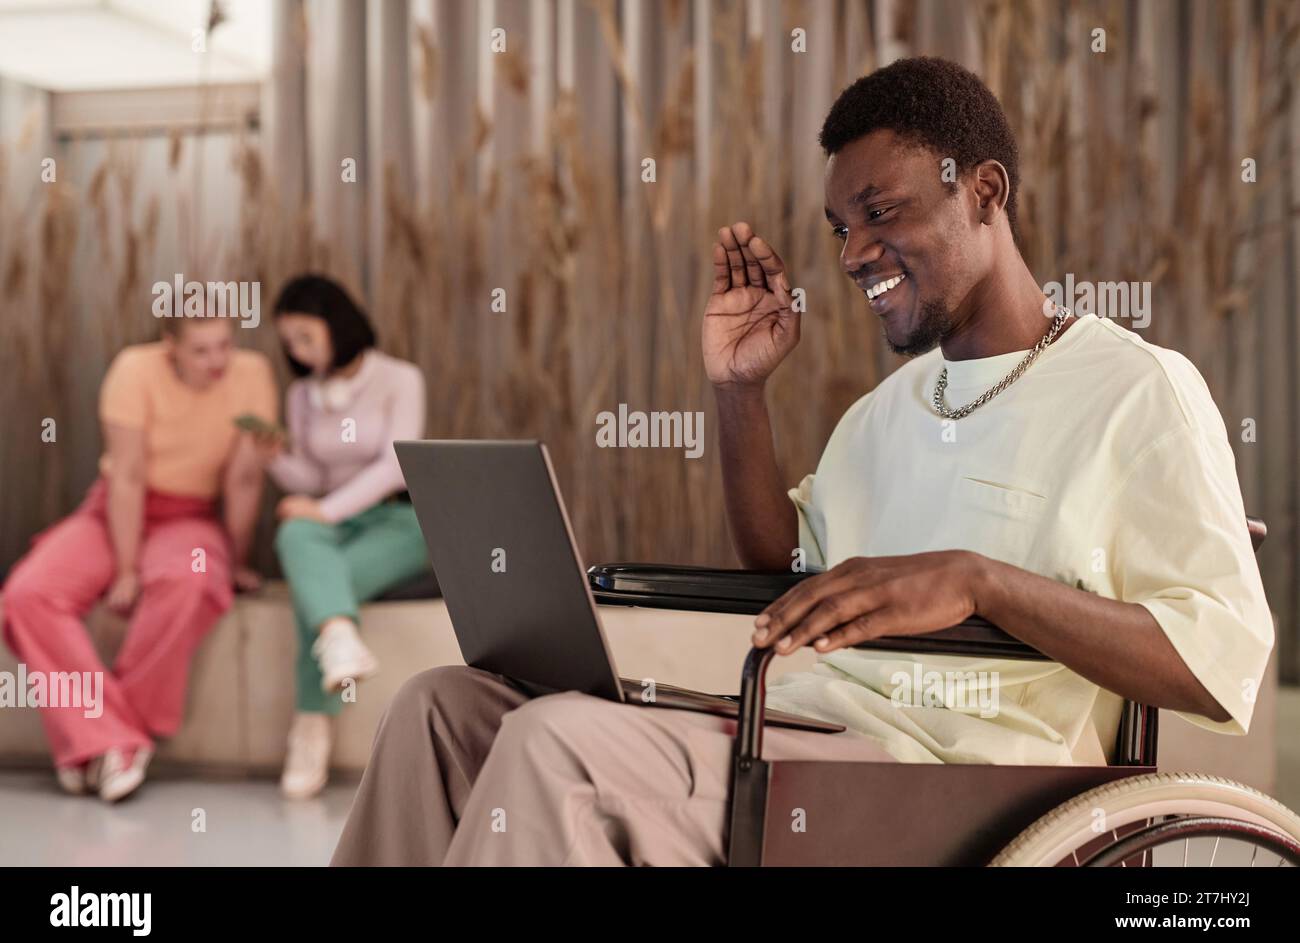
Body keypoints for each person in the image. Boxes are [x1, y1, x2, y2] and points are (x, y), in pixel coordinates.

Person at [329, 57, 1272, 865]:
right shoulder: (888, 411)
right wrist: (739, 394)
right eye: (839, 229)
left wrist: (979, 582)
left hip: (951, 778)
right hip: (800, 730)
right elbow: (782, 572)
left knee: (555, 747)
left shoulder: (1138, 390)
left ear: (983, 191)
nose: (855, 253)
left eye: (881, 212)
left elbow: (1213, 658)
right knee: (439, 709)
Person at [1, 313, 275, 802]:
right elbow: (126, 476)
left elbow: (244, 480)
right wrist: (127, 569)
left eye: (224, 346)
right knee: (27, 594)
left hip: (190, 517)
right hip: (116, 509)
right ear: (169, 344)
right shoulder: (134, 370)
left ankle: (100, 741)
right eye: (201, 350)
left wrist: (234, 560)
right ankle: (114, 739)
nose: (217, 361)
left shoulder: (252, 375)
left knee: (190, 582)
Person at [256, 275, 429, 800]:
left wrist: (323, 513)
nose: (297, 351)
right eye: (289, 342)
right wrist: (276, 460)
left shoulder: (400, 378)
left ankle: (310, 726)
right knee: (295, 531)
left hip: (400, 521)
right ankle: (339, 641)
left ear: (337, 325)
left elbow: (395, 464)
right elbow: (313, 479)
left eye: (306, 337)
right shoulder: (301, 395)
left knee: (317, 583)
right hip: (337, 525)